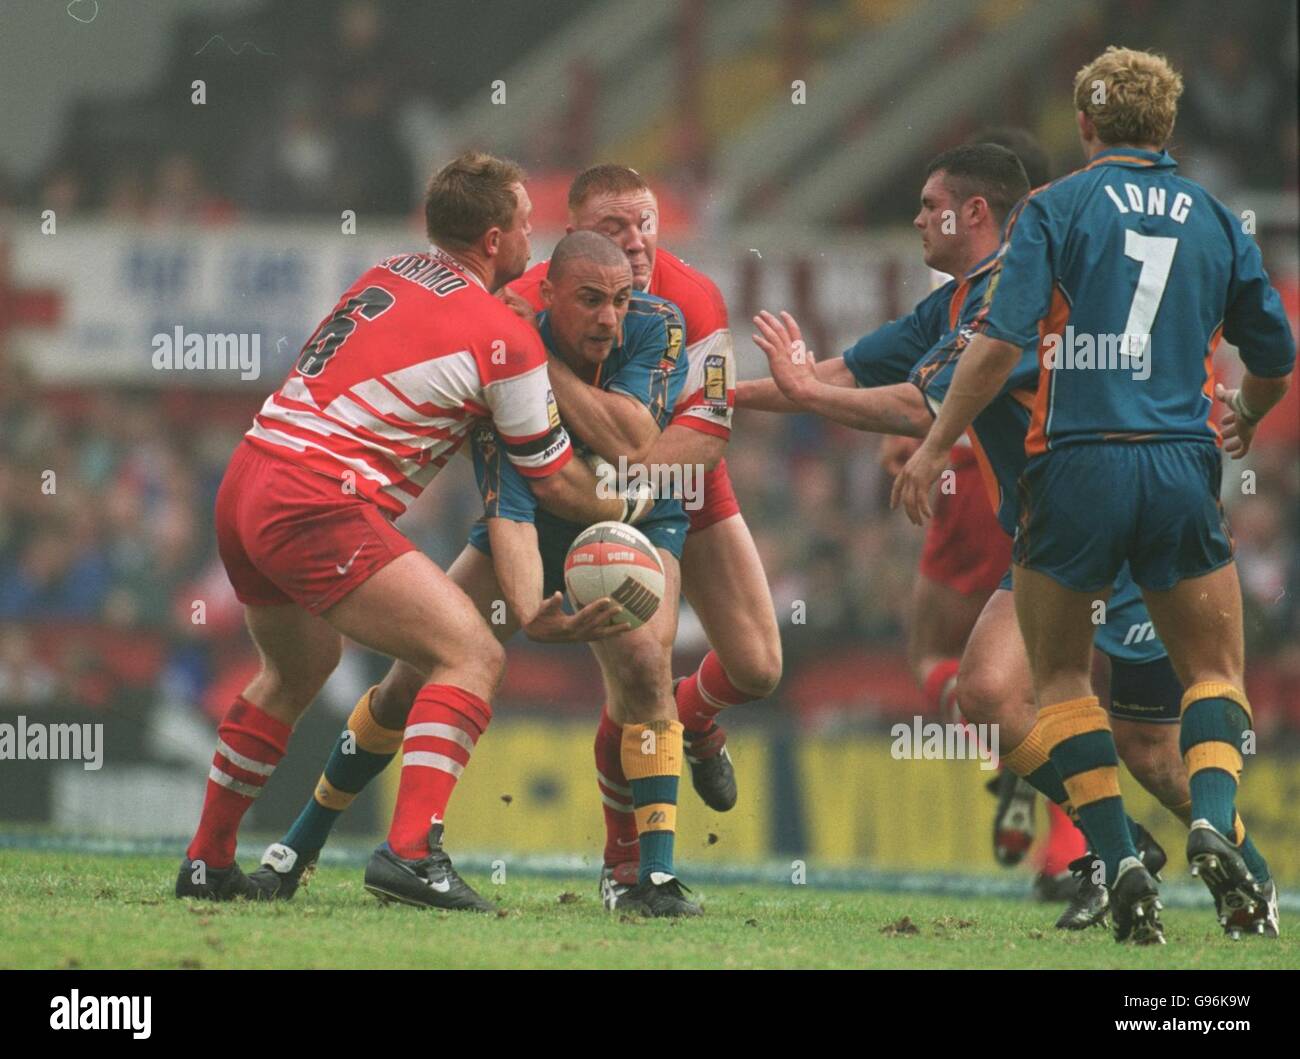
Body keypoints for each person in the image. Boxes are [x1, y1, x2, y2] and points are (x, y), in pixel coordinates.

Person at [893, 47, 1294, 942]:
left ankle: (1114, 855)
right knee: (1213, 672)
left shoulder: (1053, 207)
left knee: (1066, 677)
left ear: (1084, 125)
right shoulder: (1217, 216)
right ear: (1168, 126)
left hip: (1072, 466)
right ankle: (1208, 818)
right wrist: (1250, 415)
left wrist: (930, 445)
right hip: (1181, 461)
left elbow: (998, 344)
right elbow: (1273, 353)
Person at [176, 152, 635, 903]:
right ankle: (412, 852)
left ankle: (207, 859)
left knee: (295, 670)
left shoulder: (388, 272)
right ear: (494, 240)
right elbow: (553, 480)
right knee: (472, 655)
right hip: (316, 498)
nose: (533, 237)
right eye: (525, 223)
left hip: (249, 478)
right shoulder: (505, 339)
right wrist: (634, 502)